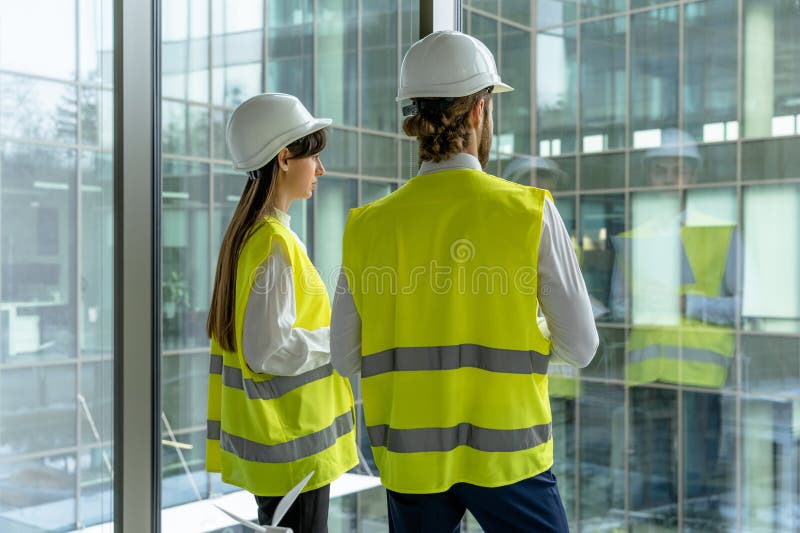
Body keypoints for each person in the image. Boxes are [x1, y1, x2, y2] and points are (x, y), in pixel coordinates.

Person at [330, 31, 598, 532]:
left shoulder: (366, 225)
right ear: (479, 111)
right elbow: (581, 347)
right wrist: (520, 327)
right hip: (510, 454)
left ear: (415, 120)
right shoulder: (529, 211)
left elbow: (345, 357)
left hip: (409, 457)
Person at [205, 93, 358, 532]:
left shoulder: (253, 238)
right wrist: (341, 338)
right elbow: (267, 352)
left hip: (285, 449)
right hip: (294, 449)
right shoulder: (273, 244)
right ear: (285, 157)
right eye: (315, 158)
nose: (321, 170)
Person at [610, 129, 736, 522]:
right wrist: (642, 303)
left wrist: (687, 302)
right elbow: (618, 307)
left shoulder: (720, 231)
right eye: (661, 171)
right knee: (654, 481)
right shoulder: (633, 237)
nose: (669, 179)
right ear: (650, 177)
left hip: (700, 376)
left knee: (697, 477)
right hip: (648, 376)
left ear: (693, 177)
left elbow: (749, 307)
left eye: (678, 170)